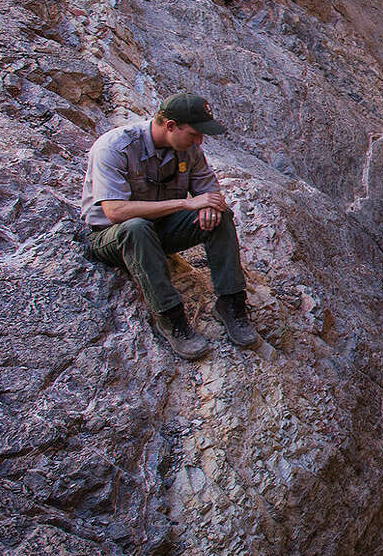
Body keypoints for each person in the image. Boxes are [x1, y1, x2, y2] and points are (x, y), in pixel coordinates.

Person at [81, 91, 257, 359]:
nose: (199, 140)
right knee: (136, 227)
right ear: (170, 126)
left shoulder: (189, 149)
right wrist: (185, 204)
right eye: (194, 134)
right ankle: (172, 319)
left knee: (221, 217)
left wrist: (209, 206)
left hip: (160, 230)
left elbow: (210, 193)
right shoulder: (114, 147)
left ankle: (231, 303)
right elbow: (115, 212)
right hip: (113, 236)